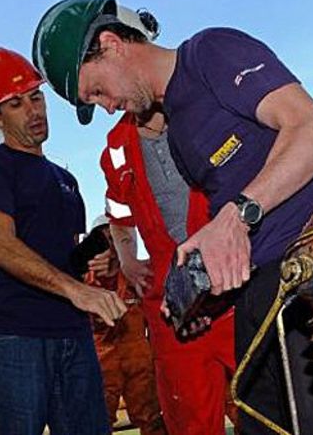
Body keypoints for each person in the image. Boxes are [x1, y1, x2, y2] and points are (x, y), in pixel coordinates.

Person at [33, 0, 313, 435]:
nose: (108, 106)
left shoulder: (211, 52)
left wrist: (237, 215)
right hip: (257, 297)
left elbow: (311, 127)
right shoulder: (181, 137)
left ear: (112, 43)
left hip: (308, 278)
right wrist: (203, 299)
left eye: (96, 90)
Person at [0, 47, 126, 434]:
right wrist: (76, 291)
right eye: (15, 104)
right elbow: (0, 246)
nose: (33, 111)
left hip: (73, 333)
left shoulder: (65, 180)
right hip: (13, 337)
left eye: (36, 97)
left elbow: (67, 259)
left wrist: (105, 258)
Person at [101, 109, 238, 435]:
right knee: (189, 417)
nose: (107, 105)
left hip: (232, 278)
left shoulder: (200, 109)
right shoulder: (116, 148)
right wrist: (127, 259)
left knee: (268, 406)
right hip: (169, 303)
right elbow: (119, 215)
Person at [83, 215, 166, 435]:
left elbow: (158, 321)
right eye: (104, 239)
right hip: (102, 364)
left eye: (114, 238)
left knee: (151, 419)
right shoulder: (82, 282)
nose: (110, 244)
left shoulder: (137, 276)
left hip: (140, 363)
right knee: (97, 423)